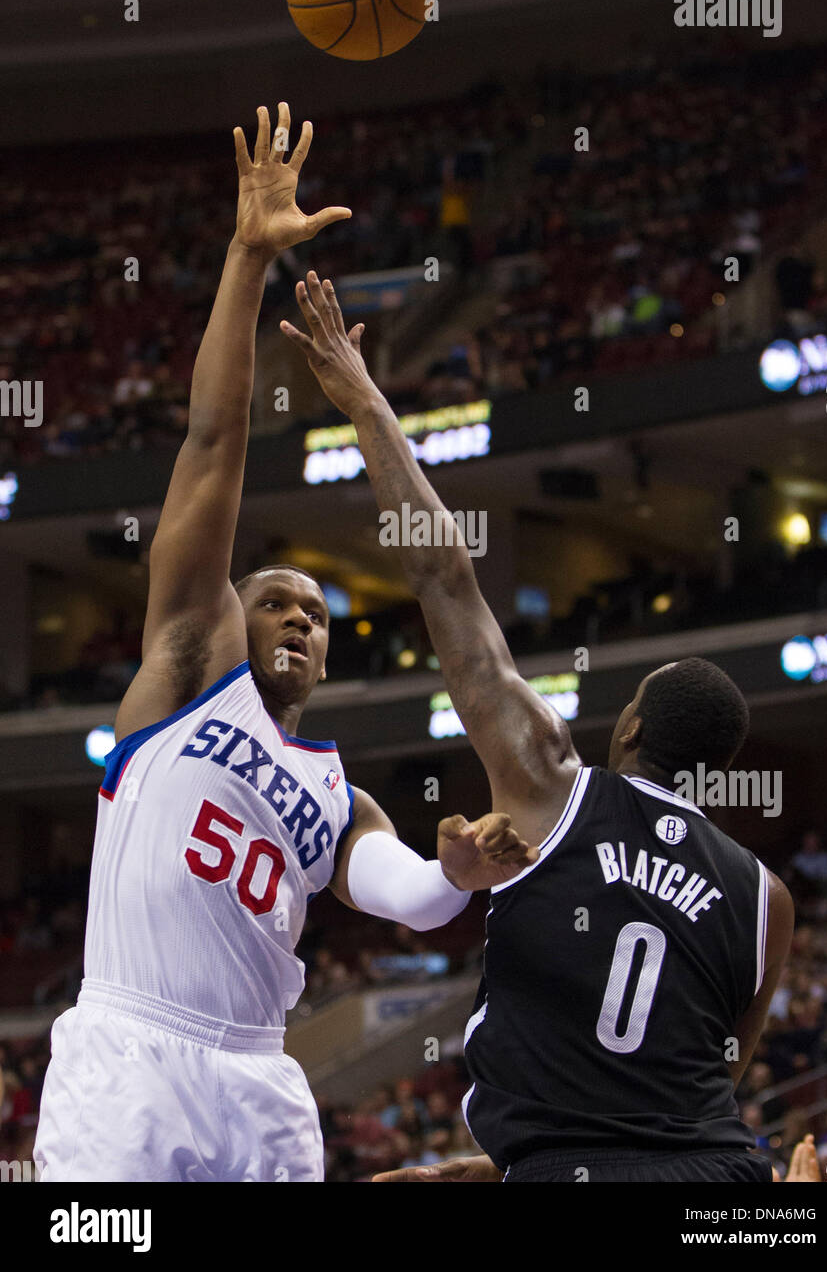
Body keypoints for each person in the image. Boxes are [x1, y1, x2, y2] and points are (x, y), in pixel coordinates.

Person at [34, 106, 536, 1185]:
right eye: (278, 601)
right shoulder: (180, 676)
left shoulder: (331, 793)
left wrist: (453, 869)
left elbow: (406, 893)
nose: (303, 618)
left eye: (317, 611)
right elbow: (213, 439)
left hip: (261, 1083)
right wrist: (247, 257)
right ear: (226, 616)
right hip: (133, 1050)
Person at [280, 271, 795, 1184]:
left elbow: (443, 574)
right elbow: (698, 1087)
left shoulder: (552, 781)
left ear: (629, 725)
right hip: (720, 1181)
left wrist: (364, 398)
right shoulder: (768, 900)